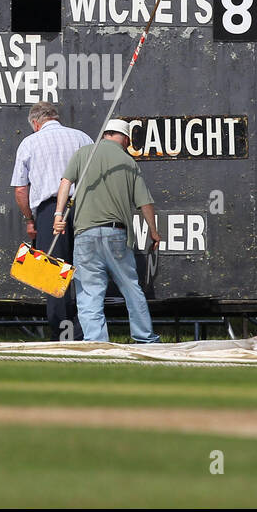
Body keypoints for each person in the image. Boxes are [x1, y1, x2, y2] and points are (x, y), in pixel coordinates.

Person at [52, 118, 162, 344]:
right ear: (125, 139)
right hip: (116, 235)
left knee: (89, 293)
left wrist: (58, 215)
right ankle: (145, 339)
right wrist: (153, 231)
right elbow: (144, 203)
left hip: (85, 235)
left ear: (105, 134)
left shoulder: (84, 154)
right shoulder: (128, 162)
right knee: (131, 289)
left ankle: (96, 342)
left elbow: (65, 182)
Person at [10, 101, 92, 340]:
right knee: (87, 270)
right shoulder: (82, 137)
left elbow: (20, 189)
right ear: (55, 117)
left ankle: (63, 334)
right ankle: (88, 330)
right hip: (84, 208)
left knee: (54, 273)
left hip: (48, 211)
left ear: (36, 123)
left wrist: (29, 219)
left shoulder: (30, 143)